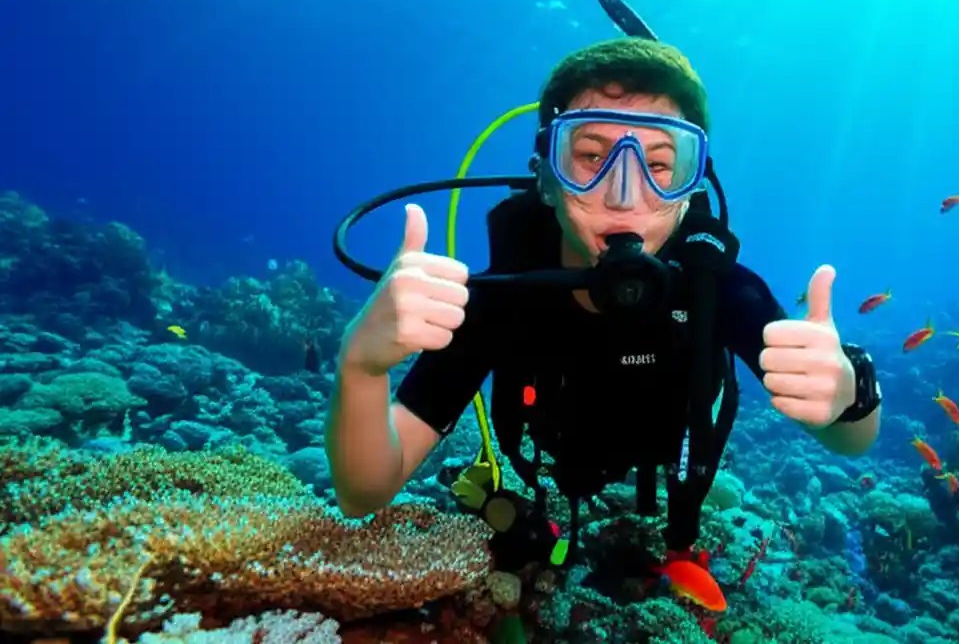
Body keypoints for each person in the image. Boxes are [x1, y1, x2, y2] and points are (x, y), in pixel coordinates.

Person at [325, 36, 882, 576]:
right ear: (545, 177)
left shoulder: (720, 290)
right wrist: (362, 365)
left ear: (691, 188)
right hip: (552, 471)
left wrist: (848, 392)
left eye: (660, 166)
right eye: (590, 156)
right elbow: (364, 491)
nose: (624, 193)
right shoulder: (504, 299)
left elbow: (853, 440)